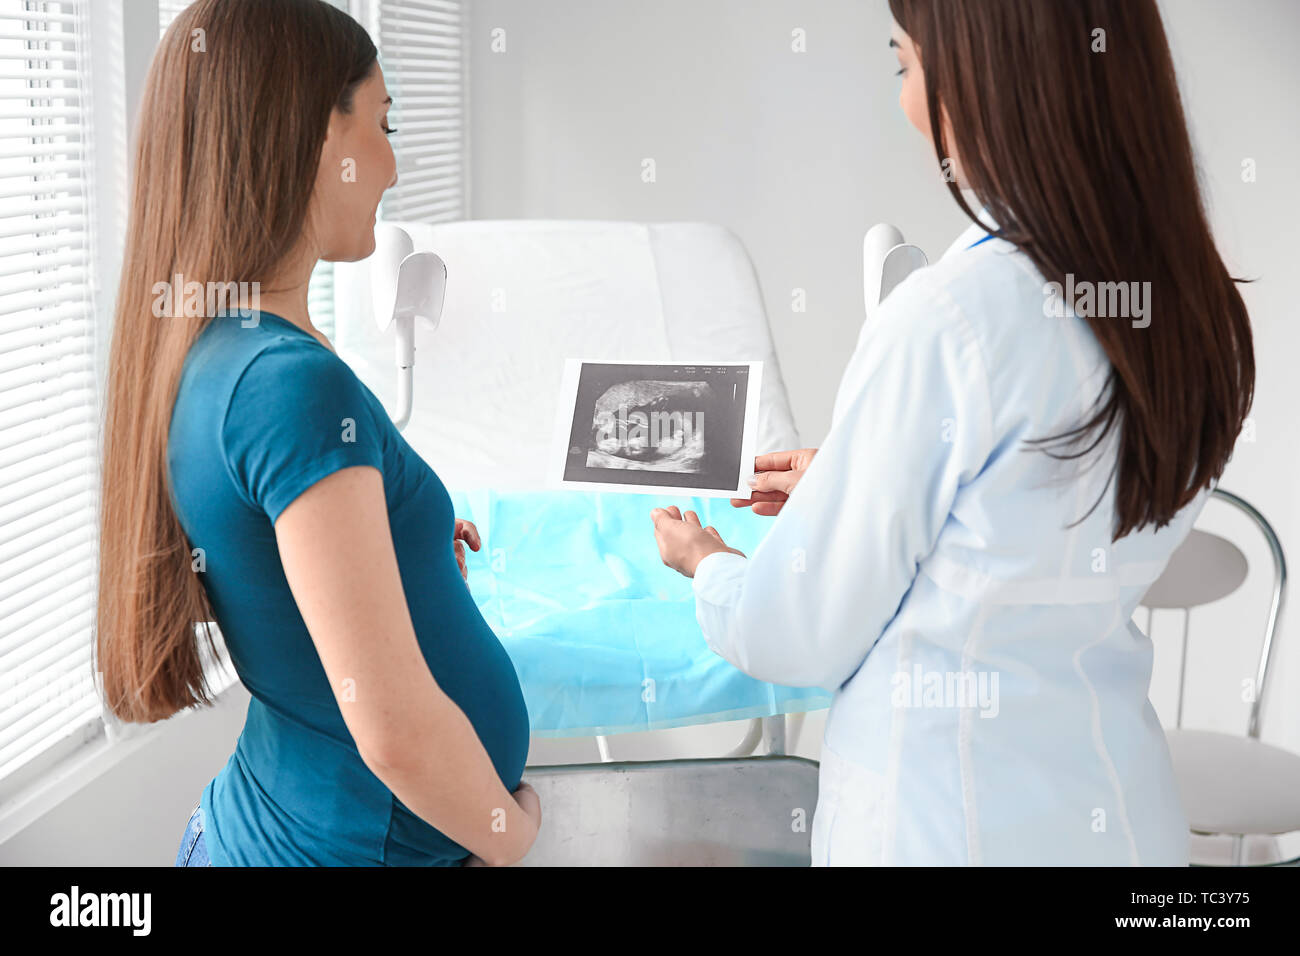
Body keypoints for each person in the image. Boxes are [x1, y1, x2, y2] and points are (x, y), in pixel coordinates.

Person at [651, 0, 1254, 865]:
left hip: (949, 827)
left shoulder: (951, 317)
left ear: (983, 75)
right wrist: (856, 477)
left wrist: (706, 563)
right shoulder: (1192, 307)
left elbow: (793, 632)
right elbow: (1040, 522)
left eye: (904, 63)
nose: (905, 101)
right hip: (1121, 821)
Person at [97, 0, 538, 867]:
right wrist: (512, 835)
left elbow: (283, 580)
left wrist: (406, 551)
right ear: (310, 137)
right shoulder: (286, 384)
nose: (394, 165)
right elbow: (395, 729)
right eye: (382, 123)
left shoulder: (231, 349)